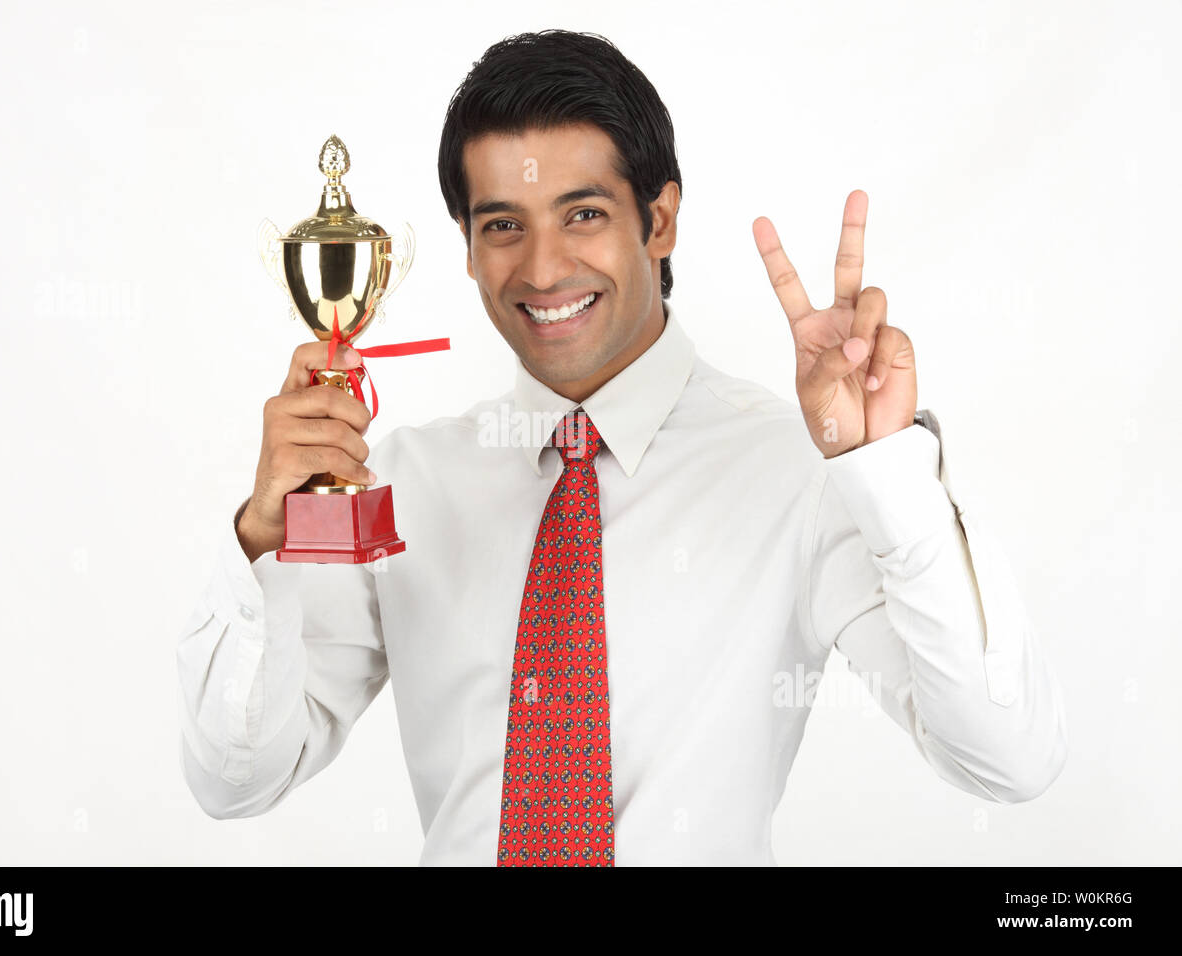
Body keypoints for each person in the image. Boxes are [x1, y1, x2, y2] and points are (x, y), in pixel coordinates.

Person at [176, 29, 1067, 866]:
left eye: (584, 213)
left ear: (661, 220)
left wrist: (886, 469)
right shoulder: (401, 482)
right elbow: (235, 781)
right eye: (503, 225)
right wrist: (264, 540)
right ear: (466, 246)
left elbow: (1008, 760)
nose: (543, 268)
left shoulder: (801, 472)